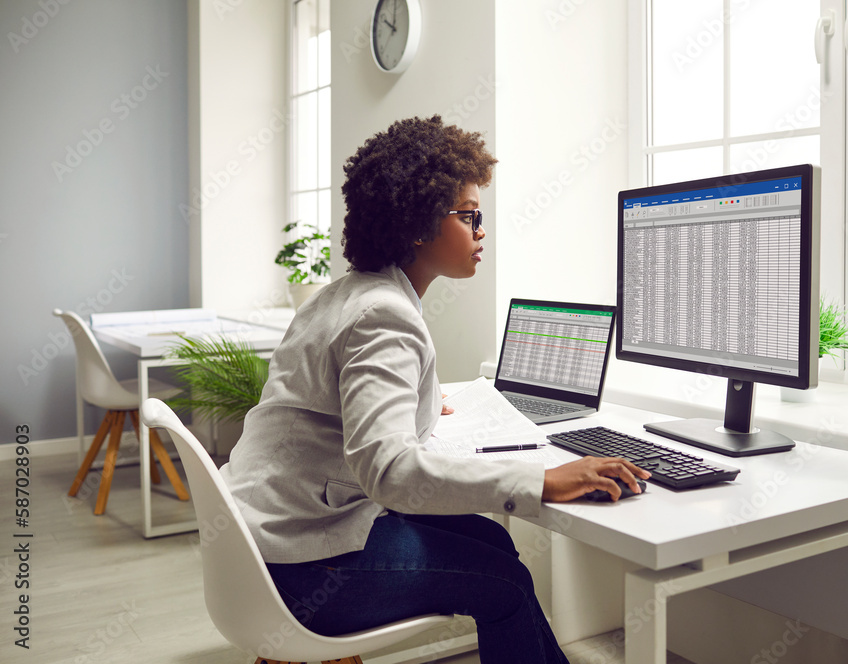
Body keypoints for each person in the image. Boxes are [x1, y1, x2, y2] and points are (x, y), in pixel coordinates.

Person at [220, 115, 649, 664]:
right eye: (469, 216)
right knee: (505, 581)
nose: (481, 231)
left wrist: (416, 406)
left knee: (492, 542)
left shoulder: (343, 296)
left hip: (260, 539)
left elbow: (329, 403)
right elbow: (391, 473)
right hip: (300, 571)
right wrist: (541, 479)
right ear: (419, 226)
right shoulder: (384, 315)